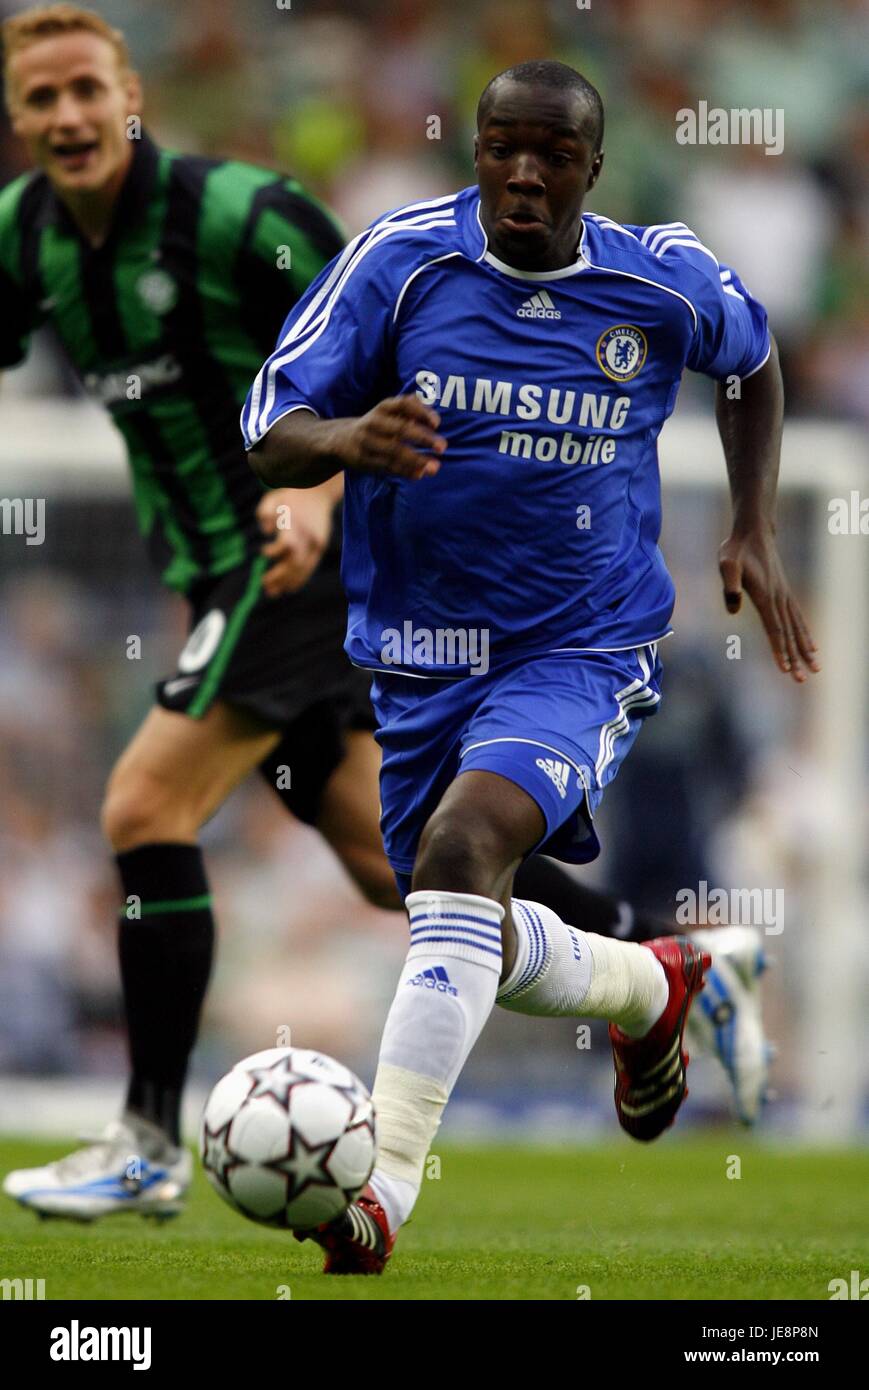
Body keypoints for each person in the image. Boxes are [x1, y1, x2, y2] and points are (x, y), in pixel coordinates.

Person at [0, 11, 765, 1223]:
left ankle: (173, 1141)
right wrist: (341, 438)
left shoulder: (249, 217)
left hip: (333, 577)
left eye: (86, 89)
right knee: (407, 875)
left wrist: (319, 475)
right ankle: (655, 971)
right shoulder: (26, 235)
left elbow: (324, 335)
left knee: (149, 804)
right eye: (37, 99)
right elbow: (272, 402)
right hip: (369, 619)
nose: (67, 117)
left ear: (128, 92)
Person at [245, 59, 819, 1273]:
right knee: (458, 920)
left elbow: (753, 361)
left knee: (462, 852)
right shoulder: (399, 263)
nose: (520, 170)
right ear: (475, 150)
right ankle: (654, 988)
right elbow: (269, 427)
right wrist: (350, 435)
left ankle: (382, 1192)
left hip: (581, 643)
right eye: (499, 144)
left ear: (589, 168)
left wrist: (754, 524)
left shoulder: (654, 277)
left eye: (549, 152)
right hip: (414, 656)